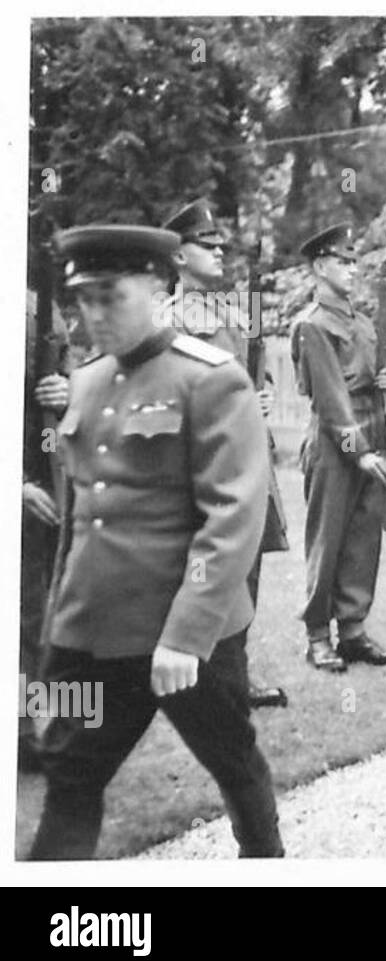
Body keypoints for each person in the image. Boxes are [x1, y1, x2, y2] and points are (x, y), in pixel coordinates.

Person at [30, 225, 282, 859]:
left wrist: (186, 635)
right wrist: (56, 639)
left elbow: (230, 516)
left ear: (157, 289)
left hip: (190, 641)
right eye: (83, 300)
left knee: (234, 763)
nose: (93, 315)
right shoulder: (84, 384)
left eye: (110, 297)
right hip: (94, 636)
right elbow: (81, 521)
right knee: (70, 776)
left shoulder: (212, 379)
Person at [162, 198, 288, 708]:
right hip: (210, 461)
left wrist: (265, 393)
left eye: (220, 246)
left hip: (249, 459)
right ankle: (205, 667)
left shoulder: (233, 312)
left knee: (250, 560)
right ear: (177, 256)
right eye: (205, 245)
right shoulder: (168, 318)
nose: (218, 253)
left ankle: (236, 669)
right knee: (213, 567)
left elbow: (260, 374)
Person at [291, 223, 386, 671]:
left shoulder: (359, 322)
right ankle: (318, 635)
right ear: (321, 266)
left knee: (363, 539)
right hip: (335, 440)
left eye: (355, 260)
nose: (353, 269)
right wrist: (359, 451)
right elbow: (329, 398)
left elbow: (368, 378)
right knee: (328, 539)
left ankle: (353, 631)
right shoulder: (312, 325)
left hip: (369, 428)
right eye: (343, 261)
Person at [21, 290, 70, 771]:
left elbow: (75, 380)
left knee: (44, 613)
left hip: (51, 479)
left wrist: (67, 390)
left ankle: (45, 724)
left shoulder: (43, 306)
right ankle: (19, 732)